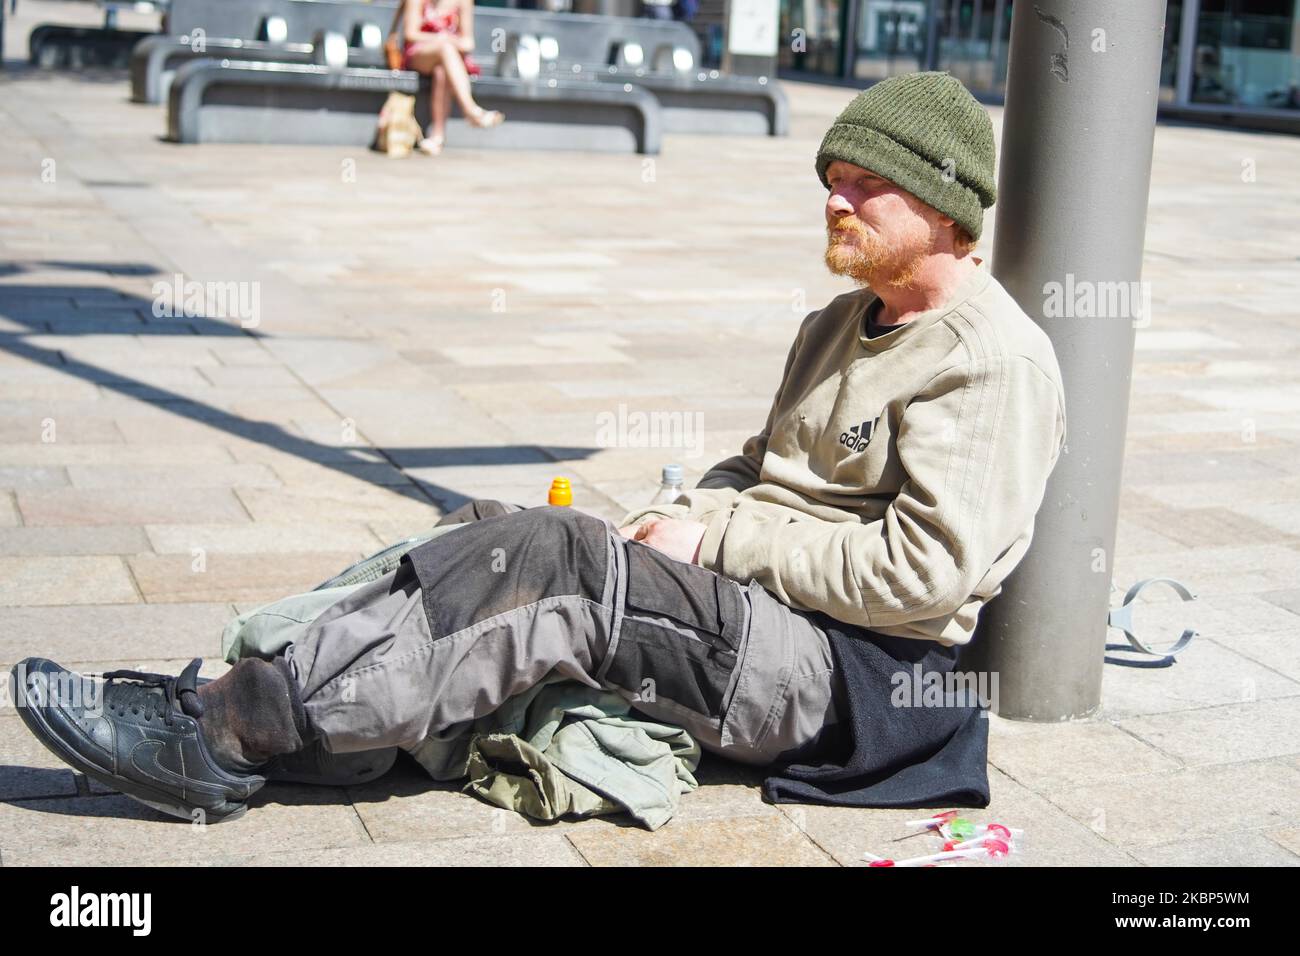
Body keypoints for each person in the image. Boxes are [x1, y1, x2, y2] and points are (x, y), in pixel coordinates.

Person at [12, 72, 1066, 824]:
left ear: (942, 203)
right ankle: (244, 691)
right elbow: (750, 470)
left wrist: (716, 547)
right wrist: (686, 513)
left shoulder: (990, 361)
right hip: (763, 615)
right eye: (828, 175)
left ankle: (230, 735)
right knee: (499, 530)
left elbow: (925, 576)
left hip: (849, 672)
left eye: (863, 182)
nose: (834, 197)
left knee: (560, 565)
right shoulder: (835, 323)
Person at [400, 0, 504, 156]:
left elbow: (468, 43)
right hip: (419, 54)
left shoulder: (464, 2)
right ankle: (470, 110)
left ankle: (437, 137)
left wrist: (445, 40)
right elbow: (410, 34)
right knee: (445, 50)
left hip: (447, 58)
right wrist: (443, 39)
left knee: (441, 70)